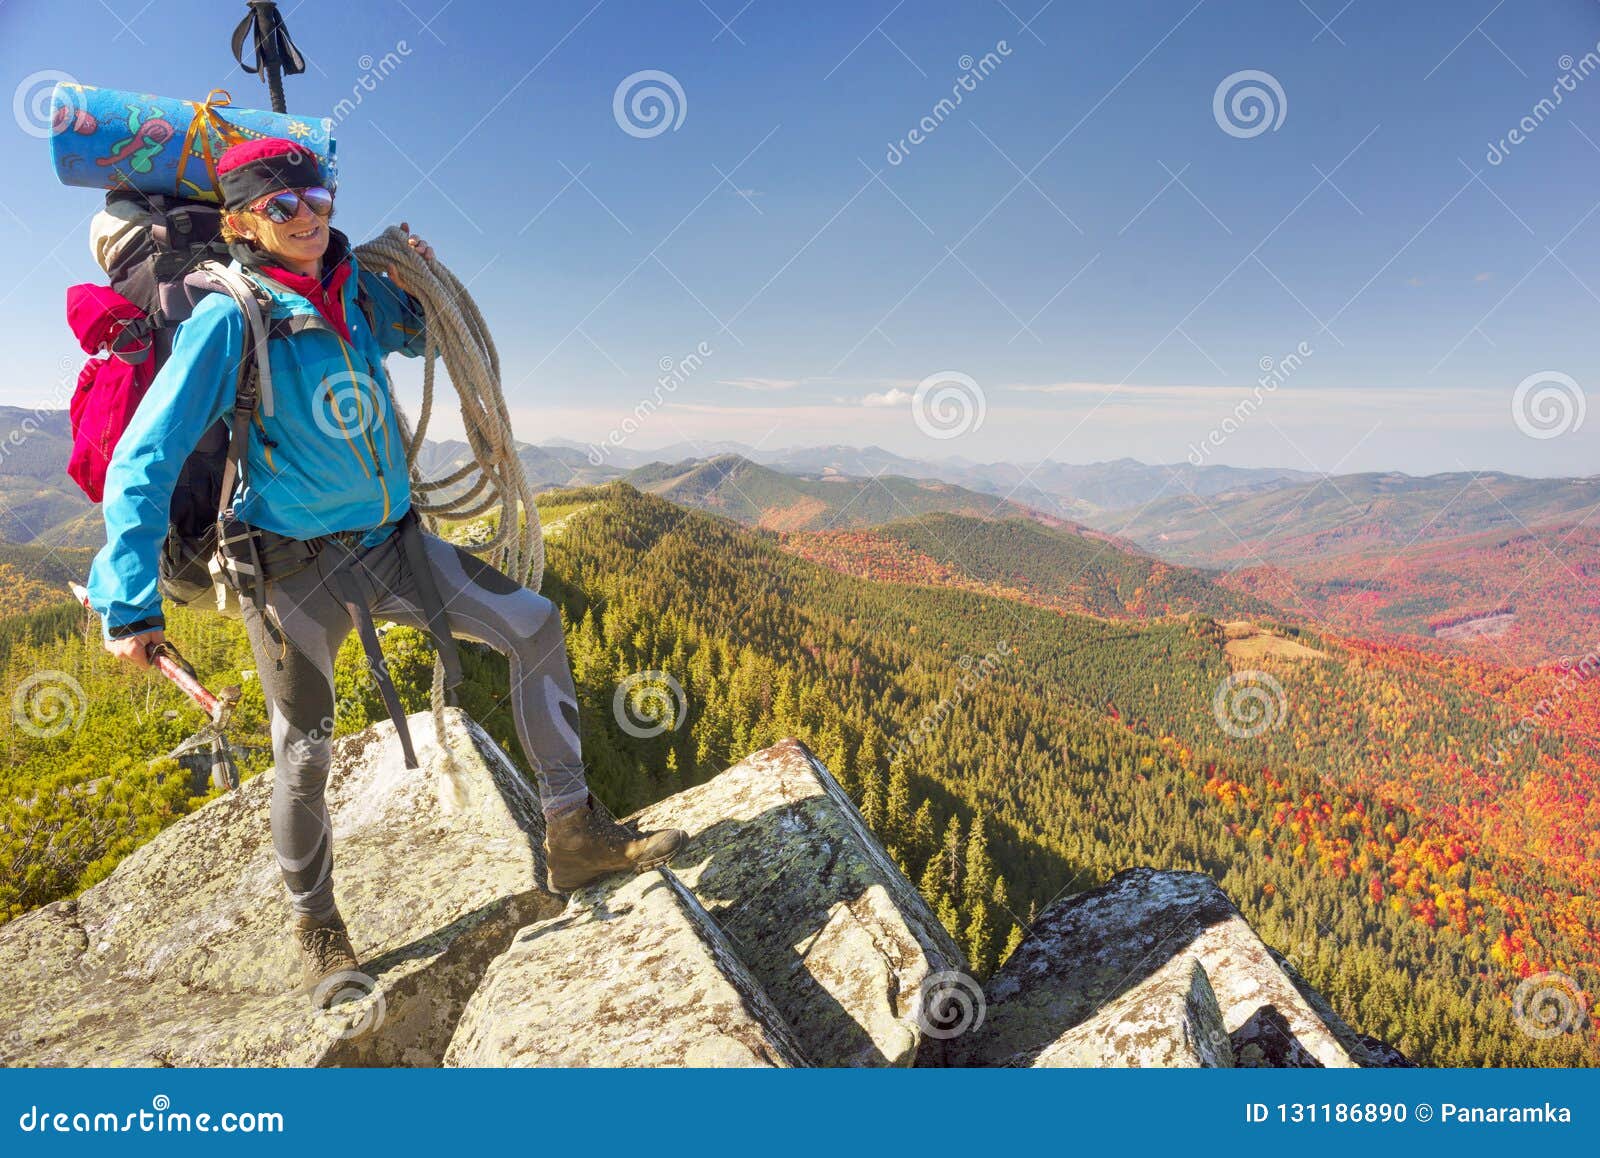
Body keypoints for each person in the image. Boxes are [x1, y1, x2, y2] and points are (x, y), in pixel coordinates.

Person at [87, 138, 685, 1003]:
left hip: (394, 545)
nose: (308, 218)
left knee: (535, 625)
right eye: (283, 206)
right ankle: (318, 928)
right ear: (241, 221)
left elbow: (415, 335)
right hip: (291, 571)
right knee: (306, 751)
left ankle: (571, 832)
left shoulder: (354, 295)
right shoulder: (230, 316)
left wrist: (414, 283)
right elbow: (145, 458)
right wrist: (127, 602)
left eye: (319, 198)